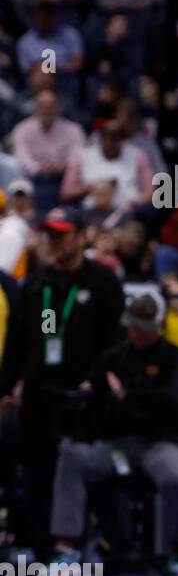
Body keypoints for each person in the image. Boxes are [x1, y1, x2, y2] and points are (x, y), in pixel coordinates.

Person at [0, 207, 124, 557]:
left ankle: (98, 545)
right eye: (50, 235)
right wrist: (5, 389)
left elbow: (116, 341)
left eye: (62, 234)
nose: (55, 241)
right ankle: (46, 552)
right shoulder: (36, 285)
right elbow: (17, 343)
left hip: (87, 396)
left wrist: (98, 379)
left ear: (82, 237)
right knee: (37, 474)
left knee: (87, 470)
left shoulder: (102, 282)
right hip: (41, 392)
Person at [48, 290, 178, 576]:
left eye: (144, 327)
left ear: (159, 324)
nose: (137, 332)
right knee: (73, 457)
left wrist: (125, 395)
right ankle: (65, 549)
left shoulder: (177, 360)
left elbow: (173, 399)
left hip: (160, 443)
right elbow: (89, 394)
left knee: (177, 476)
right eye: (133, 325)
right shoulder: (112, 359)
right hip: (117, 445)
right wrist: (91, 392)